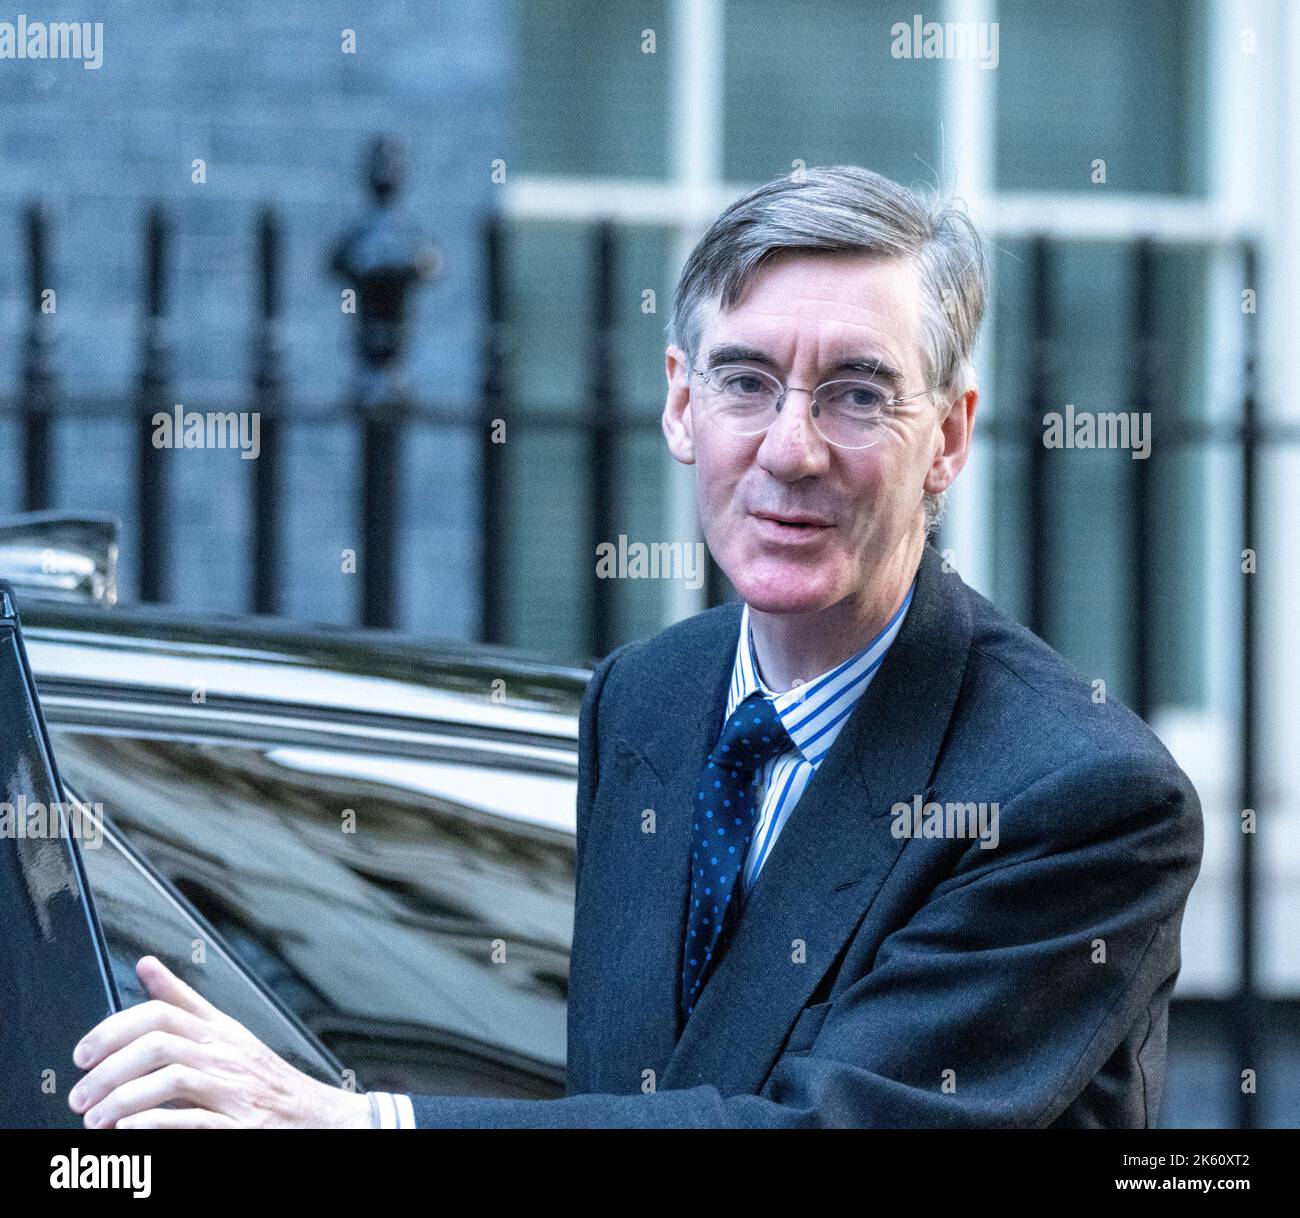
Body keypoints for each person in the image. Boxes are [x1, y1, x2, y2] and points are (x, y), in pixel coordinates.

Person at [66, 165, 1202, 1129]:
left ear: (947, 436)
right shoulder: (646, 699)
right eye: (746, 382)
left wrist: (364, 1121)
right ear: (679, 406)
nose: (791, 450)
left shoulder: (1080, 796)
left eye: (857, 395)